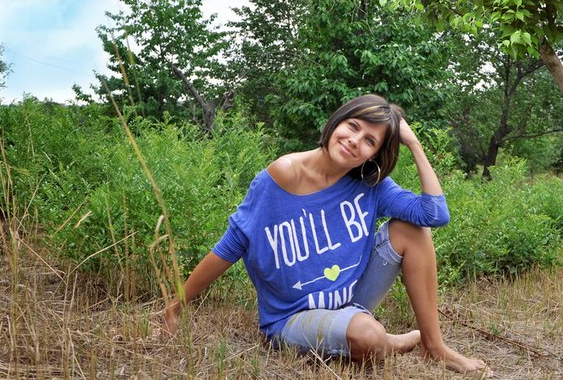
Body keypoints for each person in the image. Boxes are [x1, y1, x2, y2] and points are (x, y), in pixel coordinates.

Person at [164, 94, 492, 376]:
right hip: (291, 319)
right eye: (353, 126)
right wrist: (176, 306)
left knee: (413, 230)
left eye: (370, 141)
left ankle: (434, 347)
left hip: (349, 299)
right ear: (337, 122)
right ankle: (392, 340)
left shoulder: (370, 184)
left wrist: (414, 144)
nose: (355, 140)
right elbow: (233, 244)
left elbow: (435, 215)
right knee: (370, 338)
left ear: (374, 155)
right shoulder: (284, 175)